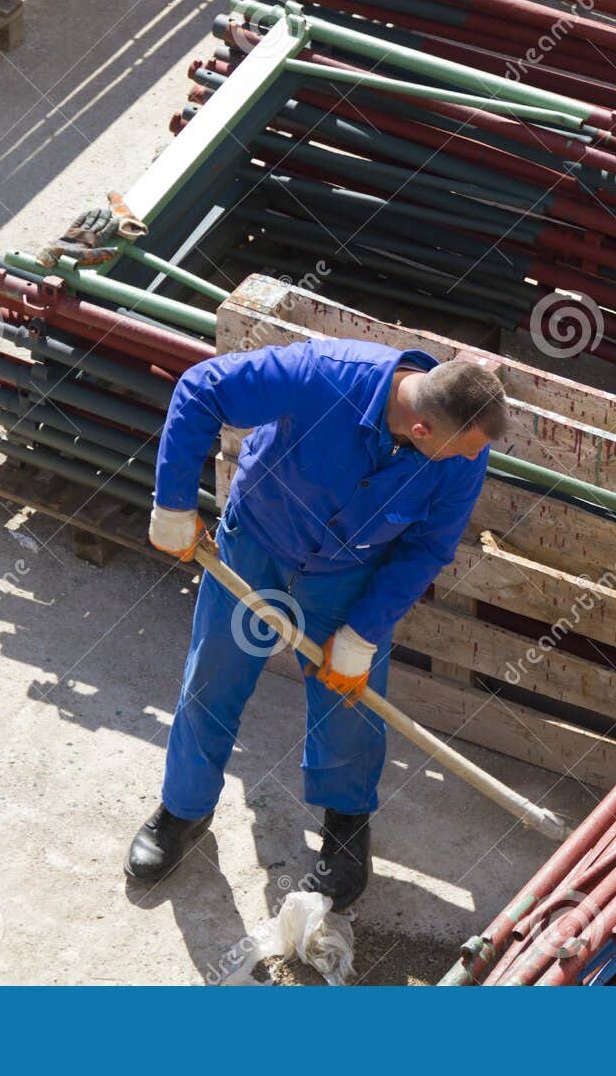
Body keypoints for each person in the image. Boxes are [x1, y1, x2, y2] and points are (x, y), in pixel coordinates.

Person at [130, 337, 509, 910]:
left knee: (349, 703)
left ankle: (346, 827)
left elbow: (428, 548)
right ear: (423, 431)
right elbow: (201, 388)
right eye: (461, 452)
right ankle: (182, 812)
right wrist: (173, 503)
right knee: (212, 682)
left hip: (348, 575)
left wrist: (364, 631)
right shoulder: (321, 375)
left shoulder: (463, 450)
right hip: (256, 548)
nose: (468, 462)